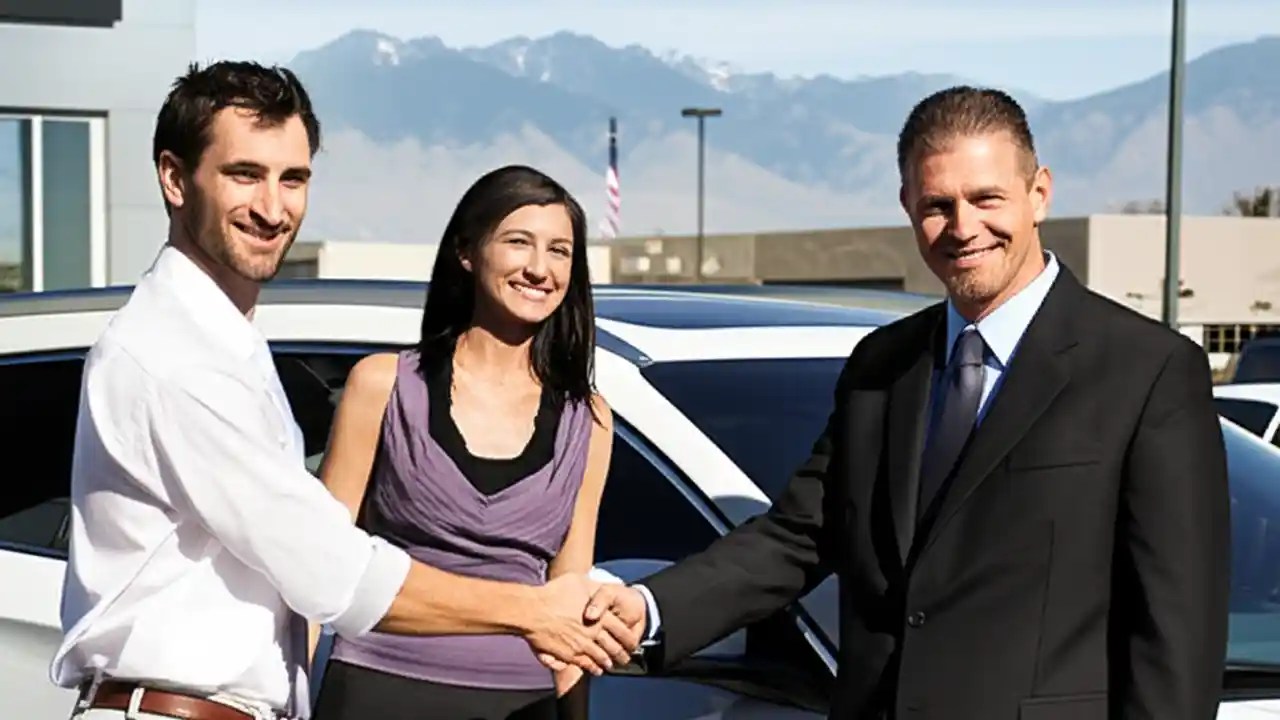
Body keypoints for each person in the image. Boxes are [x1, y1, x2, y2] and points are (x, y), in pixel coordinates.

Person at [581, 86, 1231, 720]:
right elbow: (799, 536)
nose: (963, 227)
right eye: (937, 204)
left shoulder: (1146, 372)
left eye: (986, 199)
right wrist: (650, 608)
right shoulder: (882, 368)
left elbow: (1176, 627)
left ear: (1039, 194)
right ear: (907, 205)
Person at [51, 61, 631, 720]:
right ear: (175, 178)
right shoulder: (173, 357)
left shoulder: (225, 345)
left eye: (293, 178)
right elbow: (328, 568)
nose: (274, 208)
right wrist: (531, 610)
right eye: (245, 175)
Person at [309, 164, 614, 720]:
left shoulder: (587, 420)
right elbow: (315, 568)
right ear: (467, 252)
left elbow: (570, 598)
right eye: (519, 243)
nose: (540, 269)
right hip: (377, 690)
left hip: (523, 705)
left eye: (560, 251)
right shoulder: (383, 385)